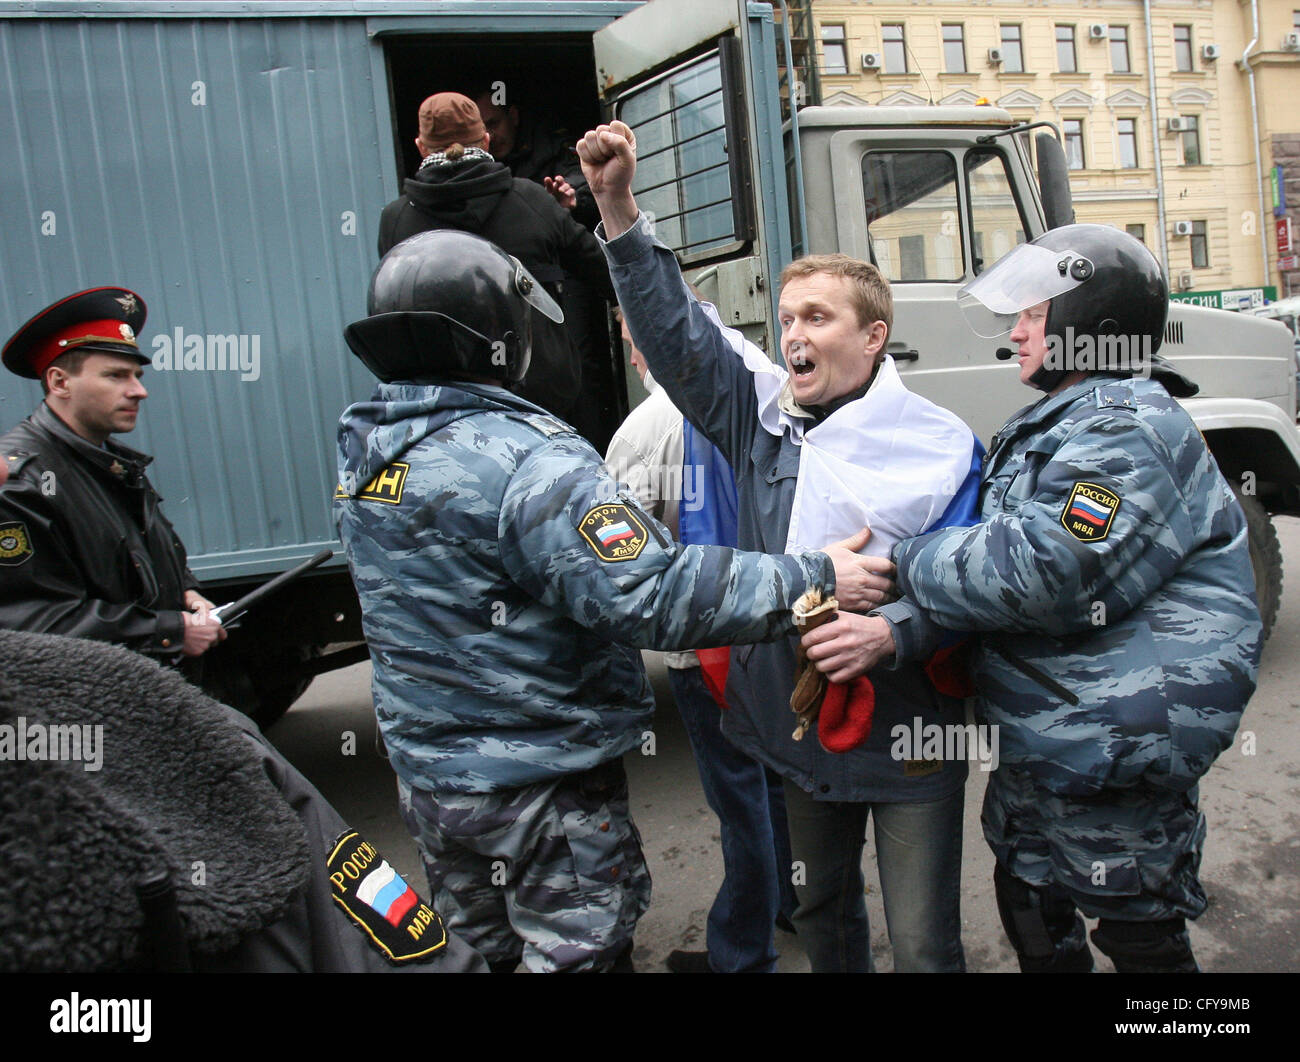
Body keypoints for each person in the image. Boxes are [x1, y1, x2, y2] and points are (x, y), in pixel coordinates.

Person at [333, 229, 887, 973]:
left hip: (433, 783)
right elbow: (649, 591)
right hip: (539, 787)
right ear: (504, 333)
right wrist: (809, 576)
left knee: (474, 958)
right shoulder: (529, 459)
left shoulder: (367, 452)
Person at [579, 122, 984, 972]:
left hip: (910, 735)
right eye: (787, 316)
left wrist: (893, 630)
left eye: (818, 316)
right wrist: (616, 207)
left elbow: (976, 583)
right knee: (824, 916)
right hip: (798, 731)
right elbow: (678, 337)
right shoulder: (762, 421)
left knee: (922, 945)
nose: (793, 332)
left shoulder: (941, 444)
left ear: (872, 337)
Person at [810, 225, 1263, 972]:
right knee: (1030, 907)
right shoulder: (1068, 420)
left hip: (1111, 758)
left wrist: (902, 558)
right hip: (1050, 750)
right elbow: (990, 588)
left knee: (1137, 936)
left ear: (1091, 325)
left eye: (1033, 313)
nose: (1015, 330)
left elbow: (1042, 572)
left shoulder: (1126, 429)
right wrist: (901, 630)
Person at [0, 618, 485, 973]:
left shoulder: (161, 726)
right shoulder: (151, 724)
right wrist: (166, 624)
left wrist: (172, 611)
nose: (7, 472)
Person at [605, 307, 798, 974]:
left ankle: (744, 953)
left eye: (635, 344)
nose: (633, 357)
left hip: (706, 645)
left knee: (739, 801)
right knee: (774, 782)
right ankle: (789, 900)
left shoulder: (648, 426)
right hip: (774, 622)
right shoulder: (765, 392)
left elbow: (625, 559)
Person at [0, 288, 224, 661]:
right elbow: (28, 622)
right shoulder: (20, 482)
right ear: (59, 382)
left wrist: (186, 593)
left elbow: (144, 557)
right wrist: (166, 631)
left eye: (136, 375)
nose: (139, 391)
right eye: (116, 376)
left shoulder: (112, 463)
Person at [378, 92, 614, 427]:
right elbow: (606, 275)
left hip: (446, 411)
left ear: (420, 147)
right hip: (540, 405)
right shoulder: (531, 200)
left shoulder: (396, 221)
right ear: (486, 142)